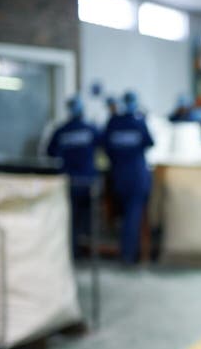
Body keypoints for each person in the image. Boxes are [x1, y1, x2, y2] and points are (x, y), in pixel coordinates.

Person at [102, 90, 154, 264]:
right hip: (136, 177)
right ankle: (128, 256)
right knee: (133, 216)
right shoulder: (138, 123)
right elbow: (150, 142)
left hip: (119, 177)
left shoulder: (113, 123)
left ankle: (126, 252)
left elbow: (106, 147)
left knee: (125, 216)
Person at [46, 95, 100, 257]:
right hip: (87, 182)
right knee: (88, 219)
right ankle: (86, 251)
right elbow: (104, 144)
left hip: (68, 182)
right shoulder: (90, 129)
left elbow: (50, 152)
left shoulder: (61, 131)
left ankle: (72, 252)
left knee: (69, 220)